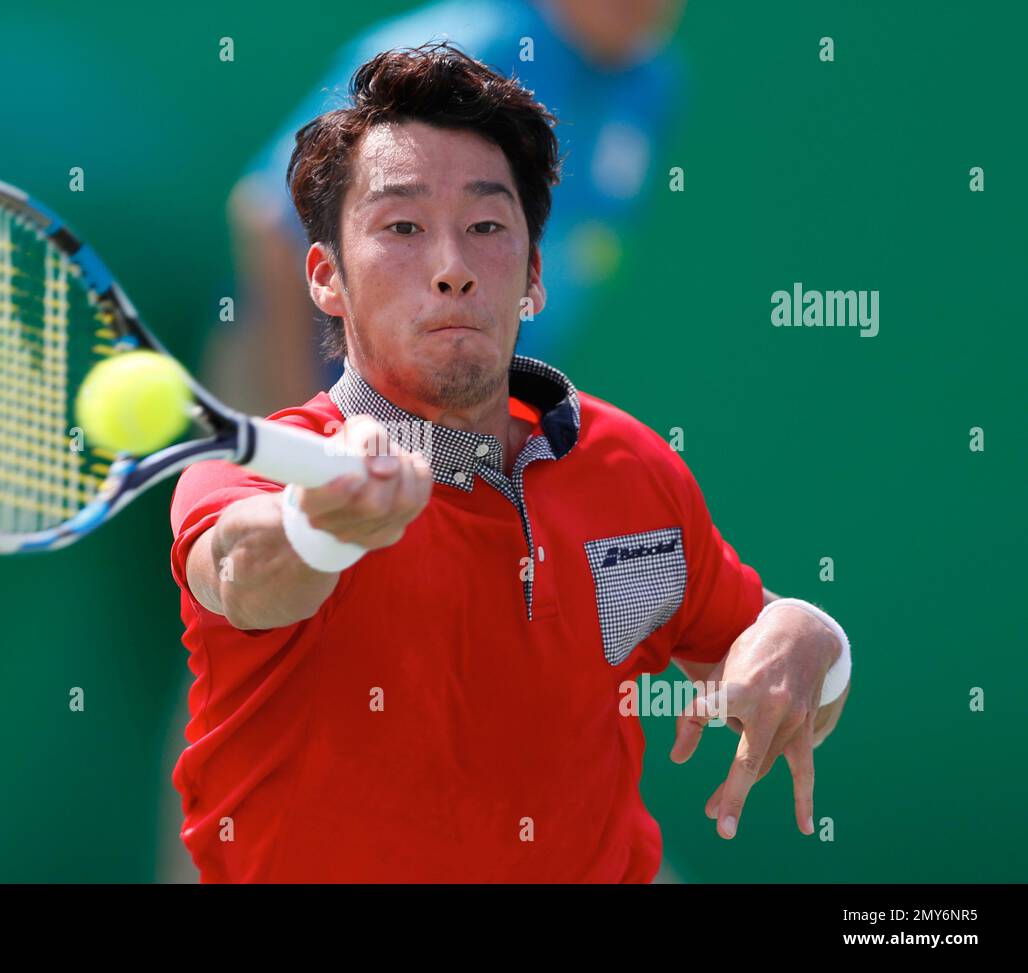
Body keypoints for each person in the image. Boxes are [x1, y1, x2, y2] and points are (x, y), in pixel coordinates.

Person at [169, 43, 850, 882]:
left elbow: (765, 653)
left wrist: (813, 637)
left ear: (533, 273)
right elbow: (241, 568)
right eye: (402, 227)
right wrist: (321, 527)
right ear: (326, 278)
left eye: (487, 227)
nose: (452, 269)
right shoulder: (256, 482)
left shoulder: (630, 467)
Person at [210, 0, 685, 416]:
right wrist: (300, 422)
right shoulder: (465, 49)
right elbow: (269, 219)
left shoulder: (651, 85)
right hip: (314, 394)